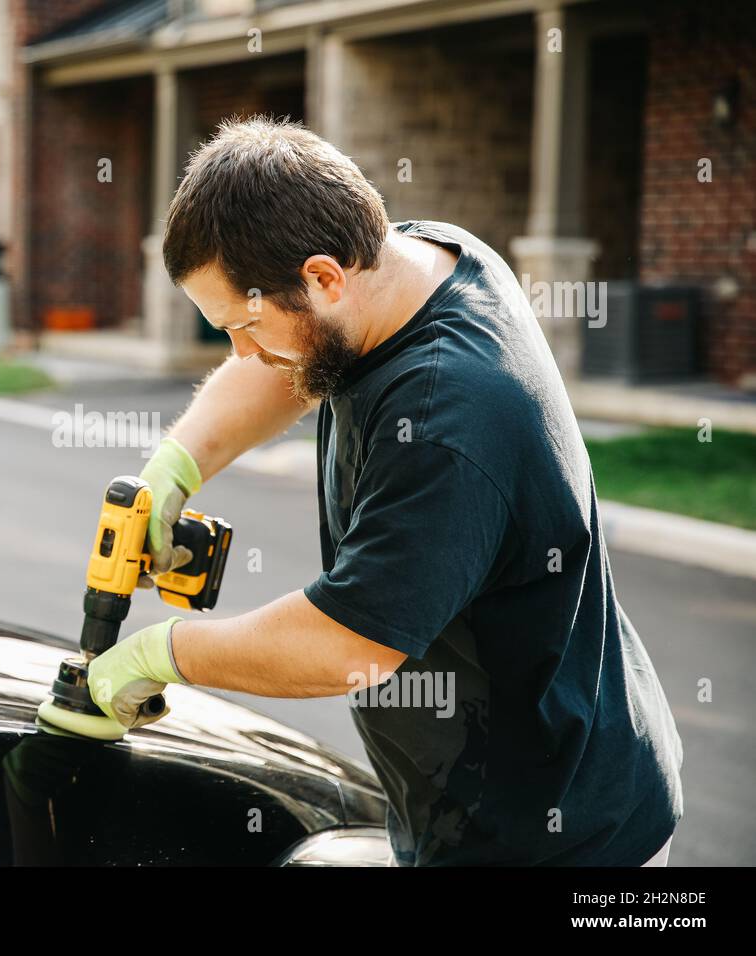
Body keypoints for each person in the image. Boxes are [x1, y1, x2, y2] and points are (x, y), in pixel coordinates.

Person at [86, 117, 684, 866]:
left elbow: (344, 646)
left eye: (242, 323)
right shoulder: (413, 259)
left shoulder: (447, 421)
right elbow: (287, 361)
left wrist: (156, 655)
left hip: (558, 835)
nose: (240, 351)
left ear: (325, 277)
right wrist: (175, 465)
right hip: (489, 798)